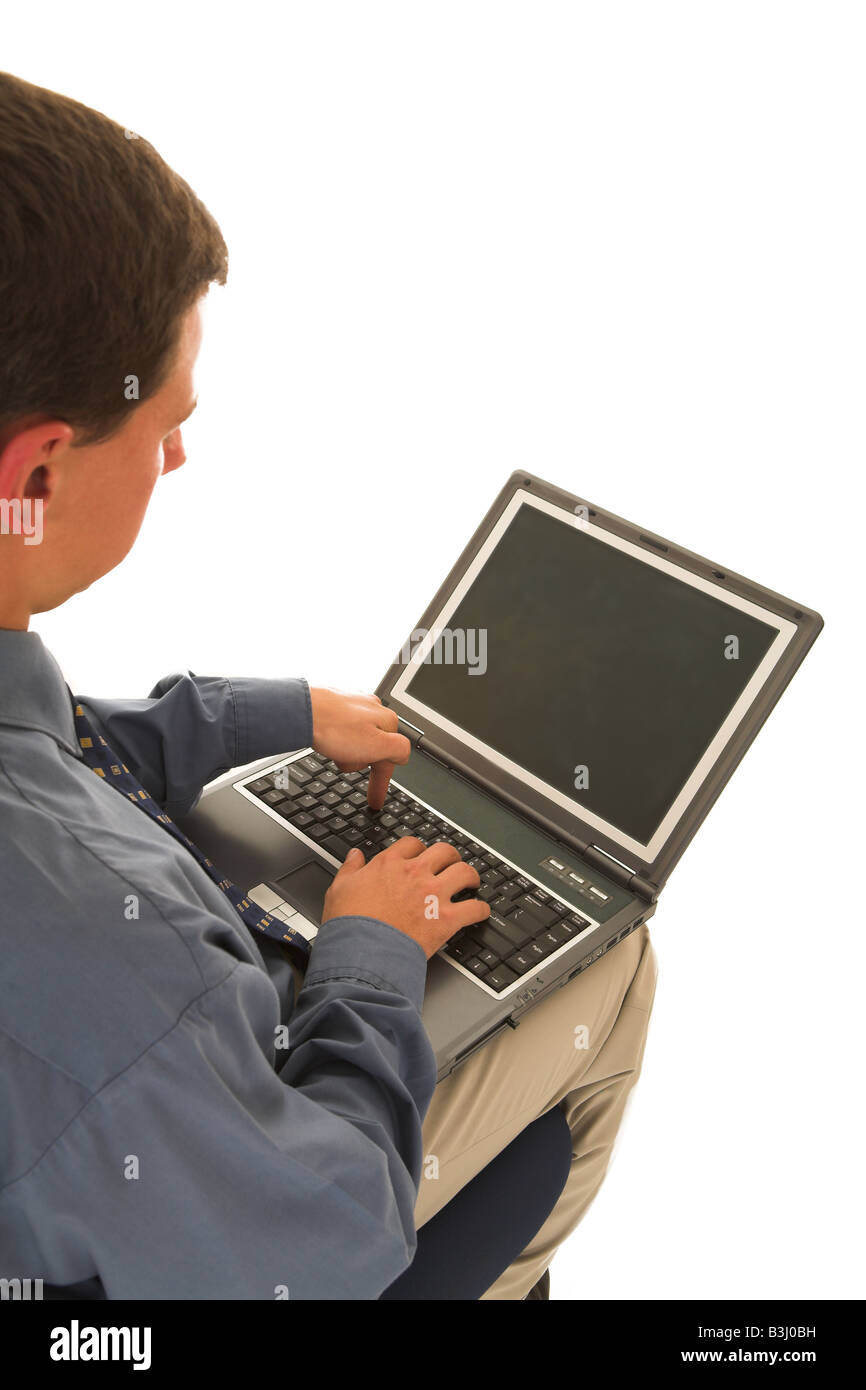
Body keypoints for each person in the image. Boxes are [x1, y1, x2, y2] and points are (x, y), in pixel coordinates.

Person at [0, 71, 657, 1300]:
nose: (177, 454)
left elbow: (48, 750)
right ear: (35, 475)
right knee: (615, 968)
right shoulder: (99, 944)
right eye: (164, 420)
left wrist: (270, 717)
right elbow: (313, 1244)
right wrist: (366, 952)